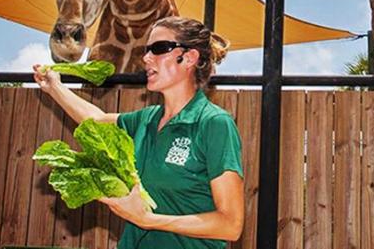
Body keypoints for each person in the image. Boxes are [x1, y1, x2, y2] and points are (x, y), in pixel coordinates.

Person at [33, 16, 245, 249]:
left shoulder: (214, 124)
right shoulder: (147, 119)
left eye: (158, 48)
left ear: (189, 58)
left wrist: (148, 220)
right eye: (146, 50)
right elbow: (97, 120)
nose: (146, 58)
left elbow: (230, 225)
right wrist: (54, 86)